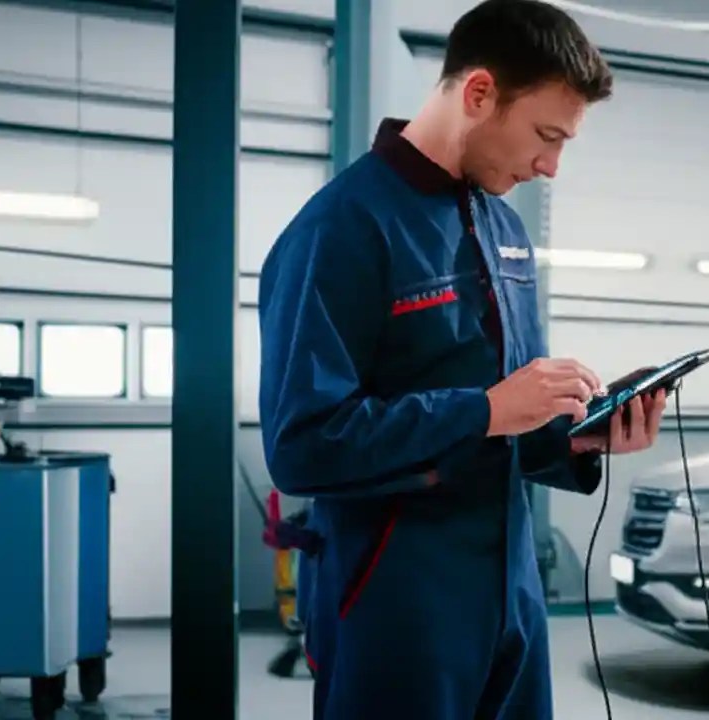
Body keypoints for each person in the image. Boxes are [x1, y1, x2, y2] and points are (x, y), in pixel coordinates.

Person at [256, 1, 667, 717]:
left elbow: (510, 425)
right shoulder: (341, 229)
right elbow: (301, 447)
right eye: (545, 136)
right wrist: (483, 410)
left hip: (510, 592)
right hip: (396, 601)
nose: (551, 165)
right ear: (479, 93)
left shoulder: (504, 228)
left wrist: (581, 433)